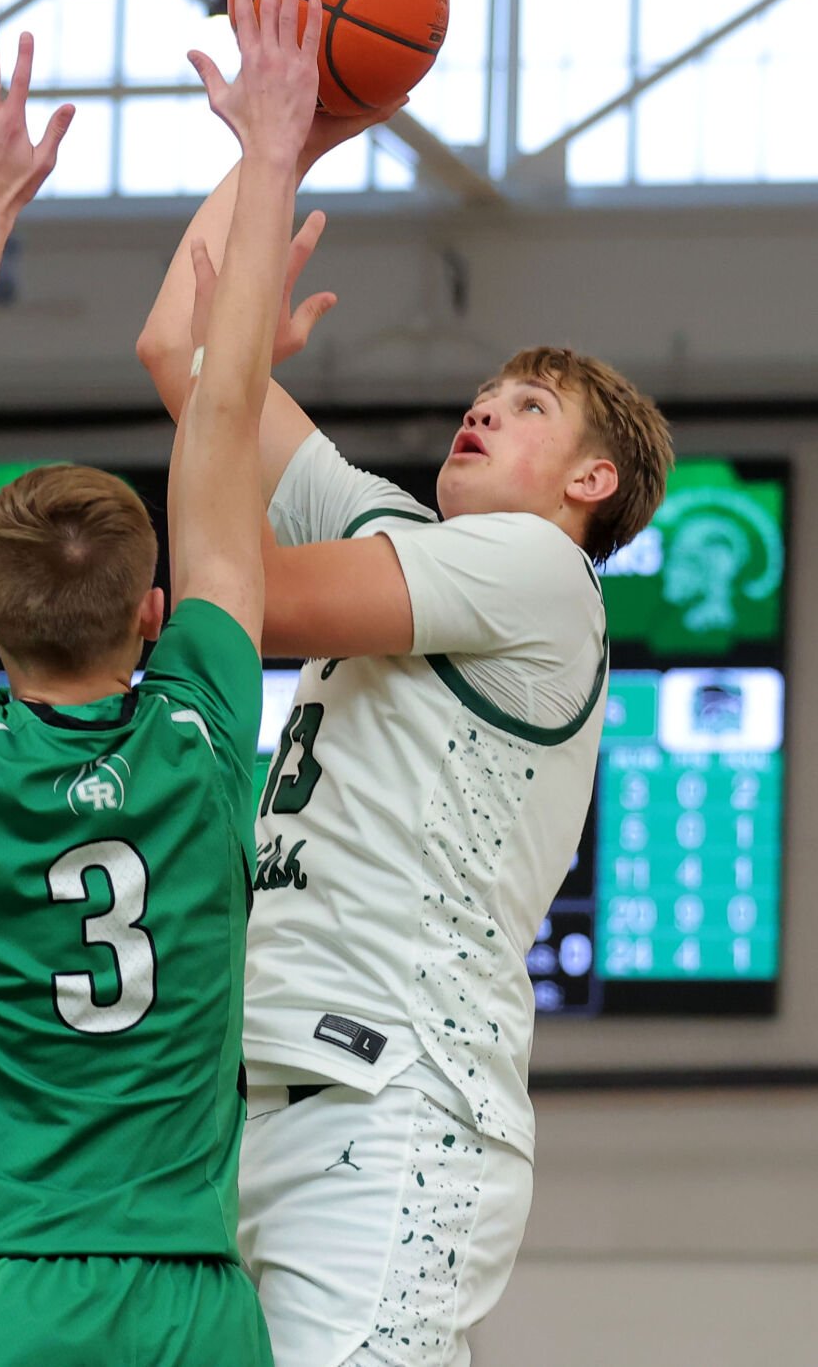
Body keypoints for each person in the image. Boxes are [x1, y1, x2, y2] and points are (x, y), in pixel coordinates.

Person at [137, 116, 674, 1367]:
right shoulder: (407, 534)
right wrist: (290, 136)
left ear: (588, 481)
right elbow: (177, 344)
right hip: (254, 1098)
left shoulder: (537, 568)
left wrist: (234, 373)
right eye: (481, 396)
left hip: (394, 1110)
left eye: (526, 406)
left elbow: (241, 592)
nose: (481, 411)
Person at [0, 0, 323, 1367]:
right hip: (186, 1298)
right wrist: (267, 151)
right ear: (154, 614)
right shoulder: (196, 737)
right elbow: (222, 407)